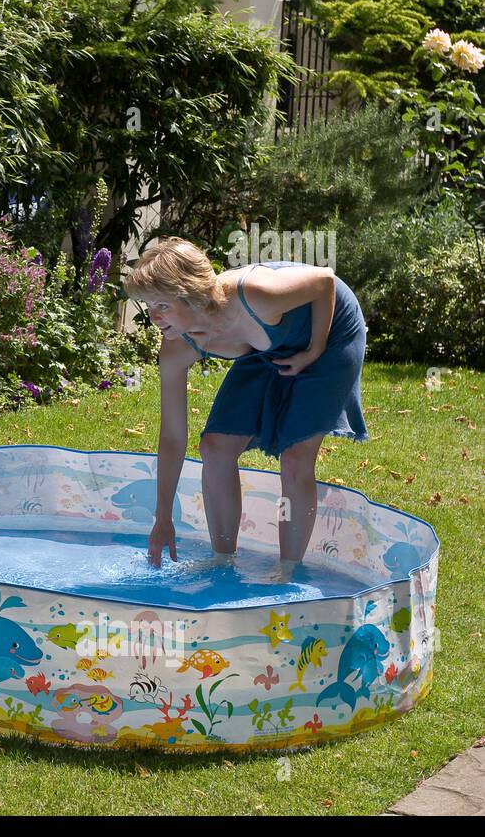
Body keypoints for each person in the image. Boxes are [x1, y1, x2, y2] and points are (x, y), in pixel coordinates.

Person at [123, 237, 369, 583]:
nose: (153, 317)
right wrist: (163, 516)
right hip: (263, 345)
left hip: (329, 330)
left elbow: (324, 281)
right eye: (149, 306)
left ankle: (287, 572)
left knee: (296, 457)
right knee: (214, 446)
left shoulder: (254, 295)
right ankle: (223, 560)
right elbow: (173, 436)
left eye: (161, 305)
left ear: (188, 293)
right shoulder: (177, 347)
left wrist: (314, 349)